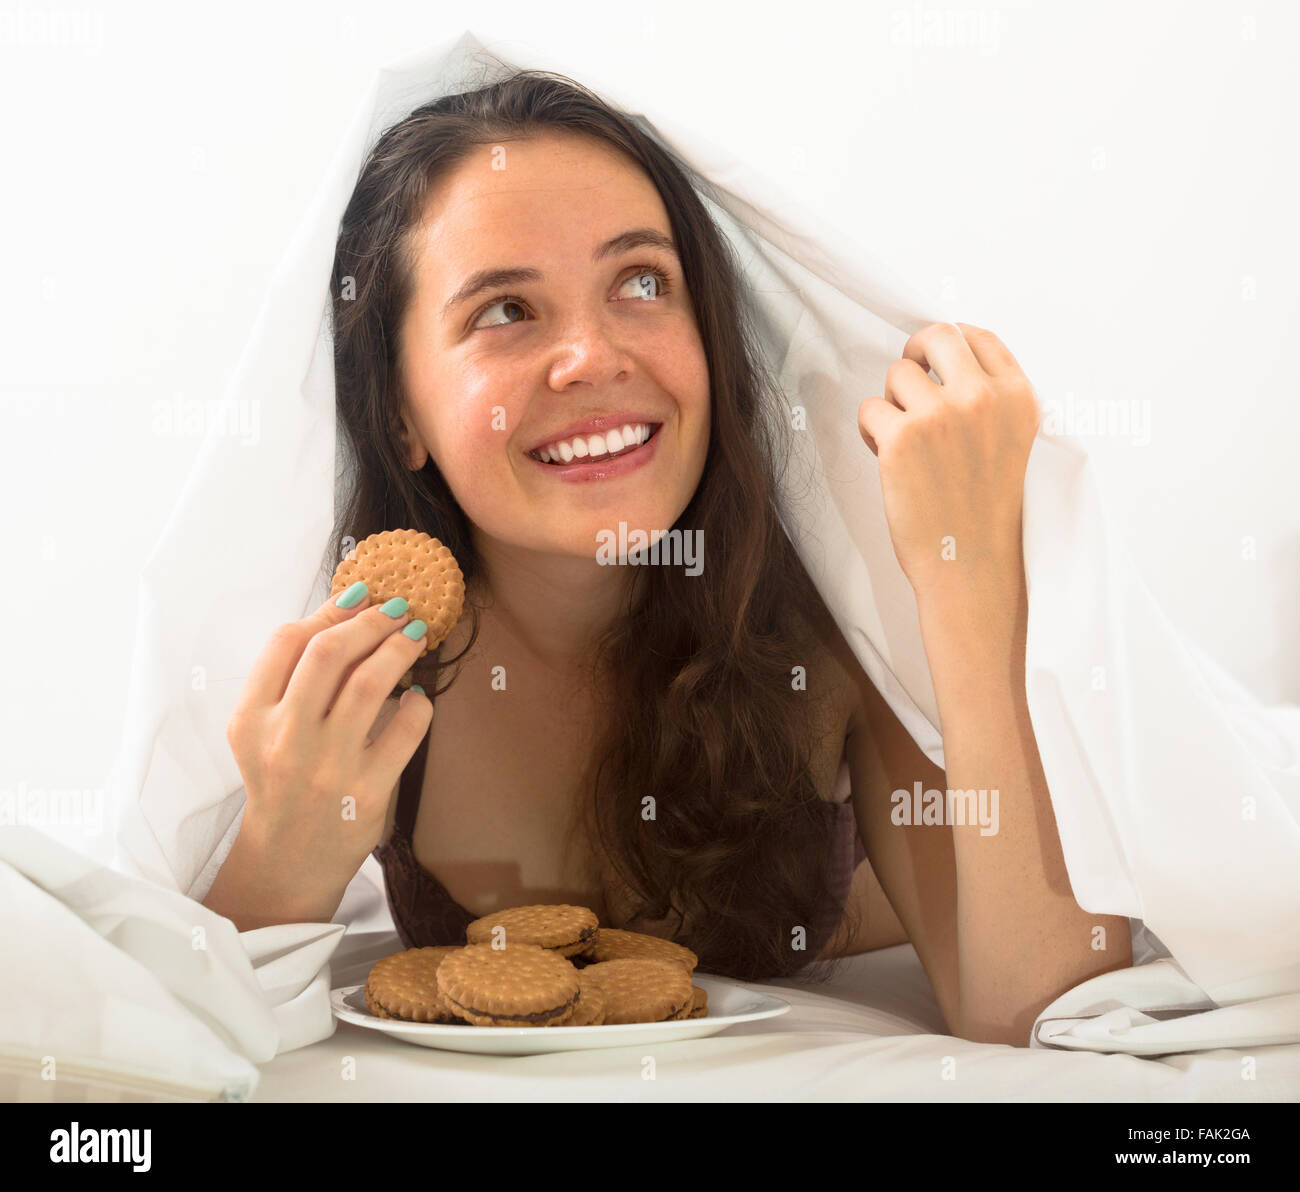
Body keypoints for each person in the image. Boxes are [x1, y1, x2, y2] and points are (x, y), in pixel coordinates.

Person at [202, 70, 1132, 1047]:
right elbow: (183, 1027)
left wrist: (969, 568)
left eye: (641, 281)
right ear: (399, 414)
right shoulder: (364, 660)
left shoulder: (834, 623)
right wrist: (280, 845)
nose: (593, 358)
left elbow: (1045, 1021)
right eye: (505, 310)